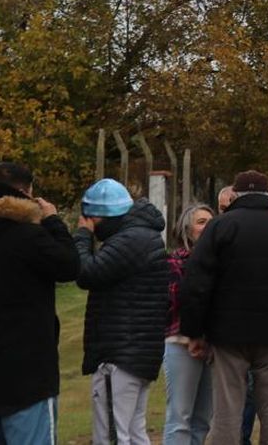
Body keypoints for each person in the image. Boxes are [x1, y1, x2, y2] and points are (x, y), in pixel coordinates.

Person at [180, 170, 268, 445]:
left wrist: (194, 332)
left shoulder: (219, 227)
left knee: (226, 415)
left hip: (227, 335)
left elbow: (196, 284)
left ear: (235, 195)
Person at [0, 162, 79, 443]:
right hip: (27, 375)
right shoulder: (27, 236)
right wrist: (53, 221)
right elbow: (70, 265)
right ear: (26, 192)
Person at [74, 178, 170, 445]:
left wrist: (81, 236)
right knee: (134, 430)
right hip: (138, 350)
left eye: (92, 220)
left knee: (112, 435)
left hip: (119, 352)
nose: (92, 226)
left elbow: (86, 273)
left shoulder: (130, 240)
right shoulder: (143, 235)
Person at [164, 204, 216, 445]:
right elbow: (176, 303)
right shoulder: (176, 262)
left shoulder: (219, 263)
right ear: (187, 229)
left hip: (212, 344)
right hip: (181, 342)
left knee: (203, 418)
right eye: (201, 222)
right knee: (180, 416)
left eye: (210, 221)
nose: (207, 227)